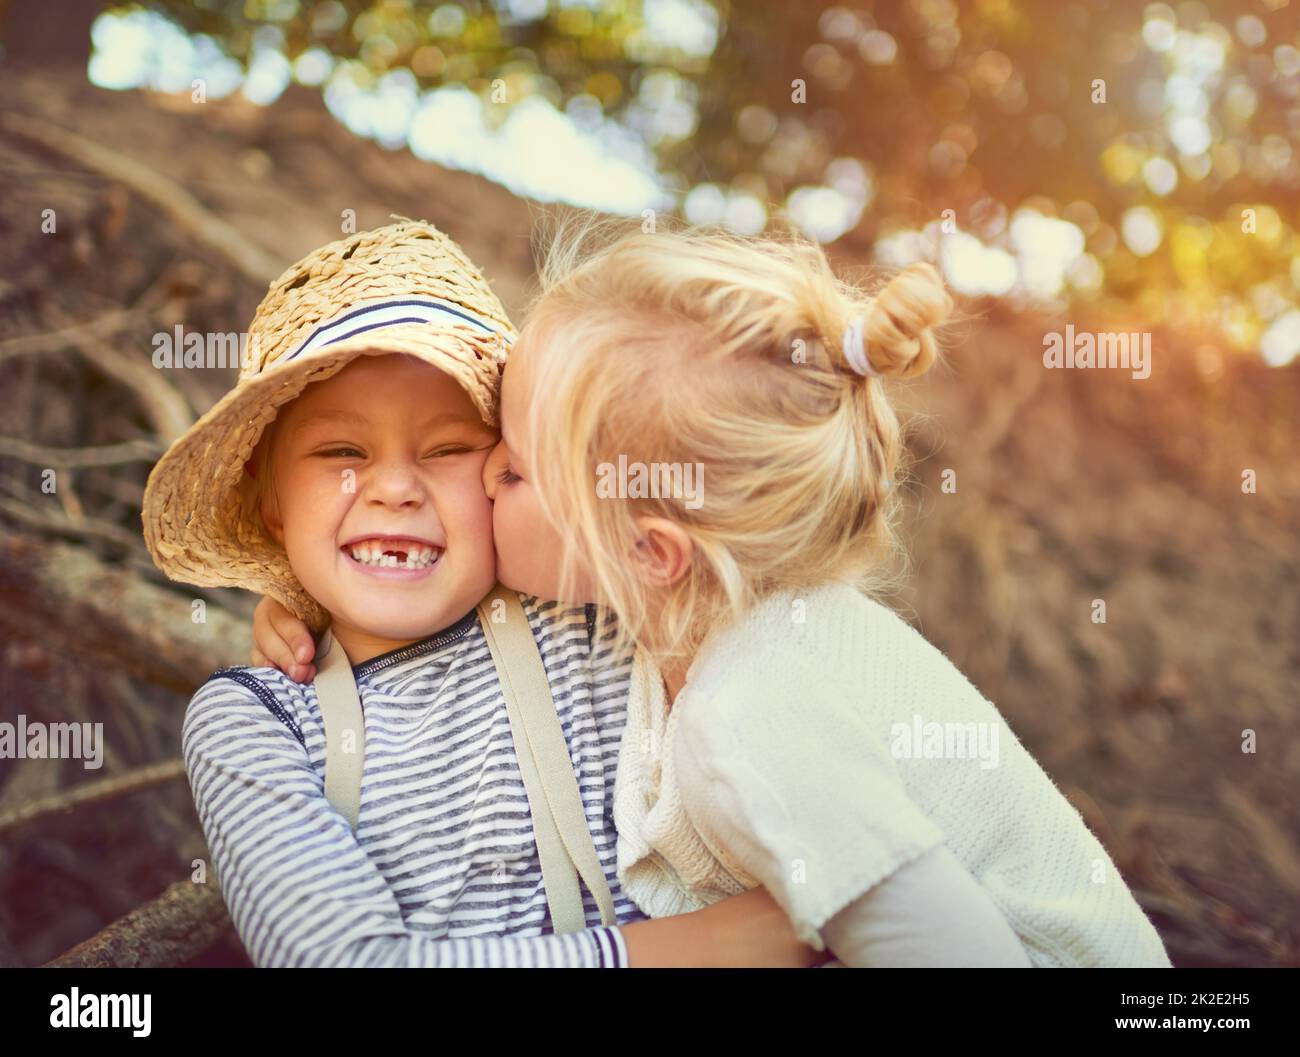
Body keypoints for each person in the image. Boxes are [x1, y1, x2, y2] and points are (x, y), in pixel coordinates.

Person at [141, 218, 826, 968]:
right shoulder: (257, 718)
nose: (397, 487)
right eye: (341, 452)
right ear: (271, 502)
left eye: (448, 449)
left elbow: (760, 548)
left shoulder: (594, 609)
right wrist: (719, 942)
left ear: (512, 468)